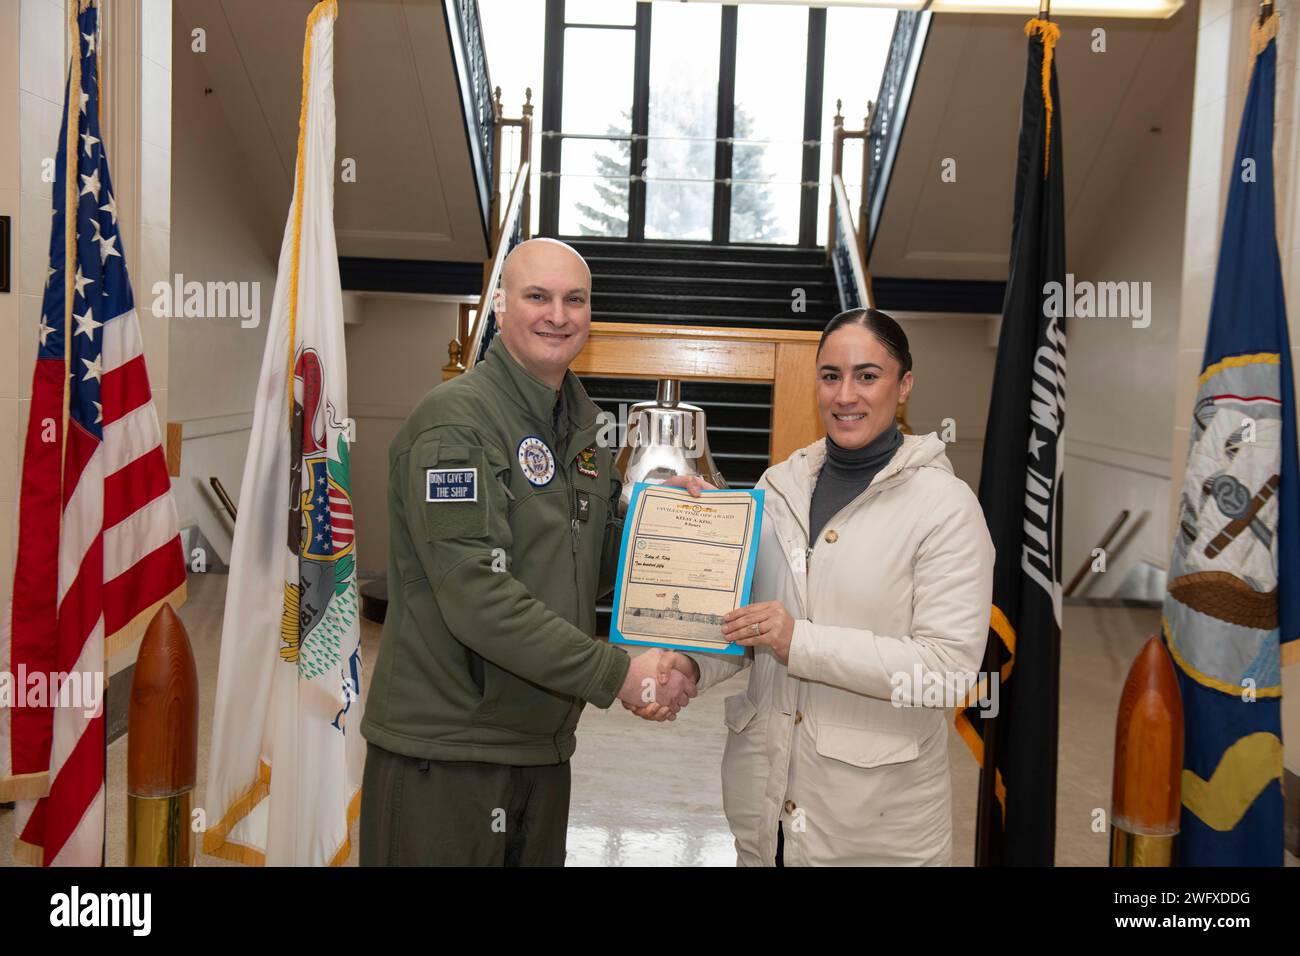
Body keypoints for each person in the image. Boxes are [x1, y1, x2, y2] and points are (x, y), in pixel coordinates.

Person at [360, 238, 696, 866]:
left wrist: (667, 525)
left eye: (575, 299)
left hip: (540, 746)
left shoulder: (582, 427)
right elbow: (477, 598)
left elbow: (587, 560)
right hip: (450, 752)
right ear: (498, 309)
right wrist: (619, 674)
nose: (557, 314)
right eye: (537, 296)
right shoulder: (455, 426)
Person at [635, 308, 994, 866]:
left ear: (904, 386)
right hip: (767, 810)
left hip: (874, 832)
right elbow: (754, 625)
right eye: (831, 376)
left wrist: (799, 642)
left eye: (867, 376)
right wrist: (694, 665)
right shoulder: (779, 486)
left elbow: (946, 673)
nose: (845, 394)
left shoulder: (946, 509)